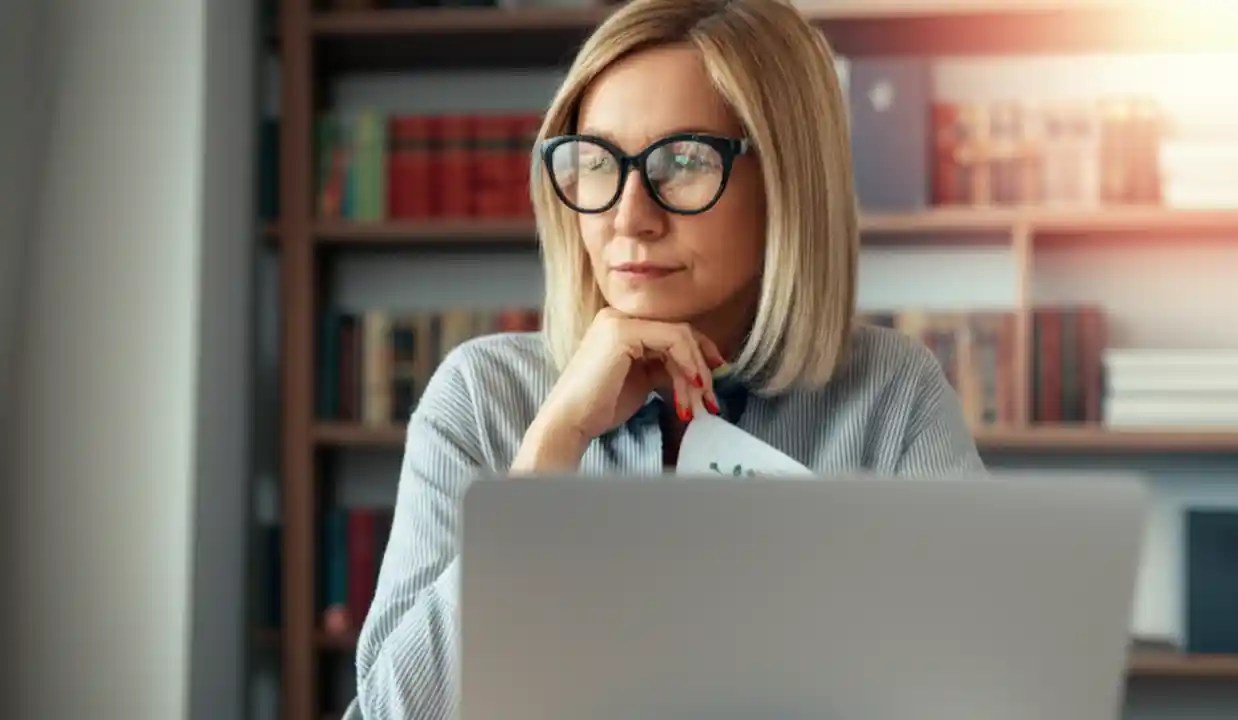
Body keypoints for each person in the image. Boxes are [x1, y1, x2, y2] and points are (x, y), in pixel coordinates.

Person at [354, 0, 984, 716]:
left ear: (785, 181)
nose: (628, 216)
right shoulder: (480, 397)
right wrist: (545, 465)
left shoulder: (891, 396)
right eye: (595, 162)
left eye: (681, 161)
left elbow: (991, 688)